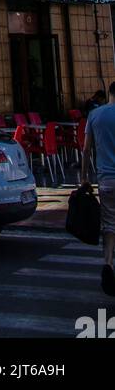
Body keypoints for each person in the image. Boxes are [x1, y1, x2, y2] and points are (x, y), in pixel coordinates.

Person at [81, 79, 115, 296]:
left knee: (110, 224)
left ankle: (108, 263)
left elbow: (85, 150)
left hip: (106, 180)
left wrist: (84, 177)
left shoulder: (95, 115)